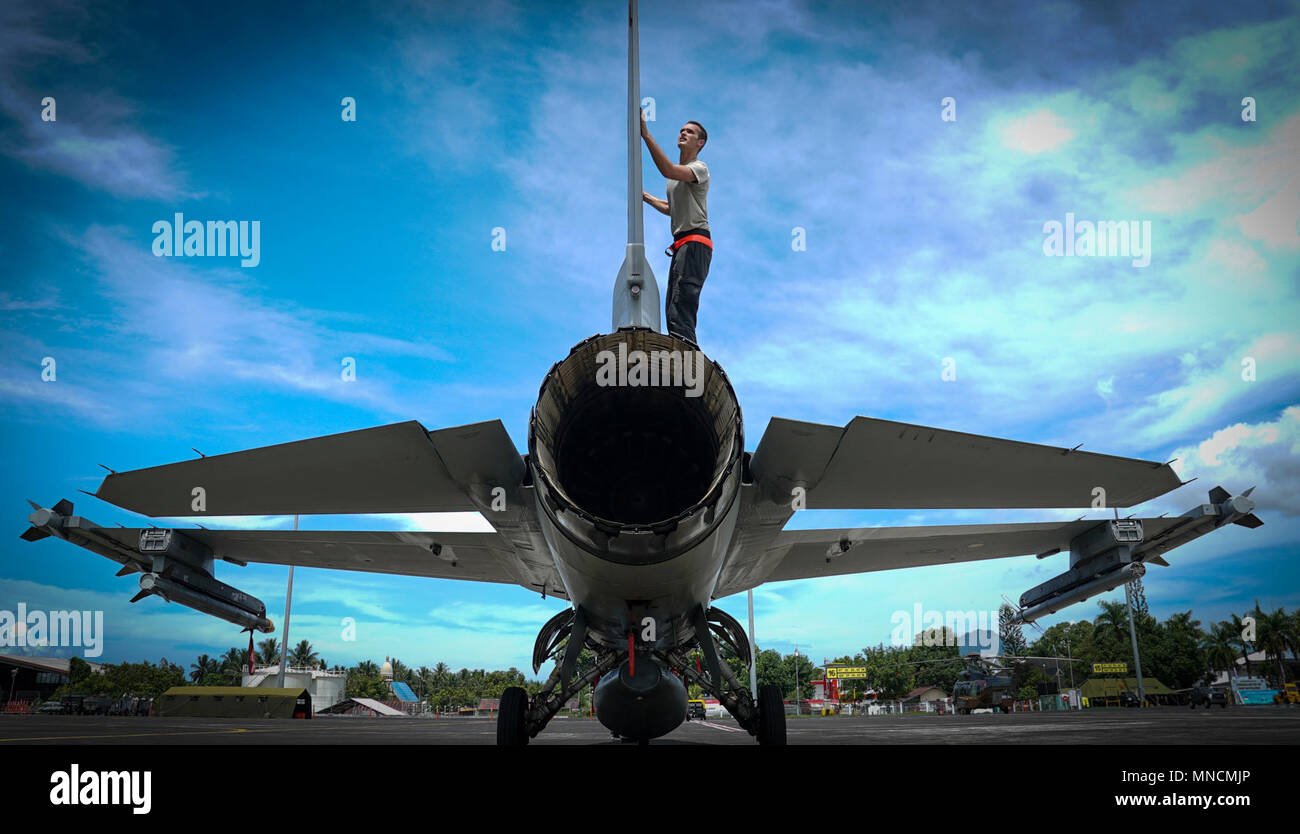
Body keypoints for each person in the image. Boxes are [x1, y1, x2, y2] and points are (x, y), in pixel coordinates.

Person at [640, 110, 710, 346]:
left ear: (699, 143)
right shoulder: (674, 181)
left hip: (695, 242)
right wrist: (646, 197)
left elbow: (668, 169)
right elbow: (673, 208)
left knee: (682, 307)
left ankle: (688, 362)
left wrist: (646, 135)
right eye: (682, 129)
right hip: (682, 245)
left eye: (689, 132)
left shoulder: (699, 168)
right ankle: (681, 354)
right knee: (673, 309)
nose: (683, 132)